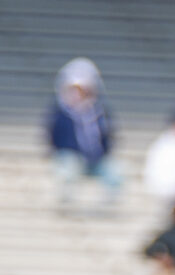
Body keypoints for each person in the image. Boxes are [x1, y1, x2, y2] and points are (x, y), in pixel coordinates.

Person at [47, 59, 121, 211]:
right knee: (67, 166)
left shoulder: (99, 113)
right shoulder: (61, 113)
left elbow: (107, 136)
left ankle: (109, 206)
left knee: (115, 170)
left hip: (95, 160)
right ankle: (65, 201)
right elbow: (54, 137)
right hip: (73, 158)